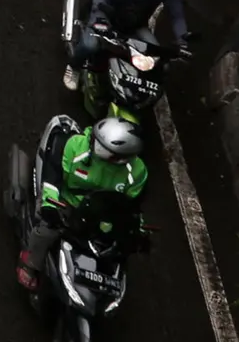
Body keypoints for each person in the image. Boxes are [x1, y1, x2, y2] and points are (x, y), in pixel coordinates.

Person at [20, 116, 149, 285]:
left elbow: (133, 206)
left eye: (103, 148)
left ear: (122, 158)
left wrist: (136, 230)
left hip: (100, 215)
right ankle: (30, 263)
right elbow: (53, 177)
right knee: (47, 231)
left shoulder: (137, 174)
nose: (95, 147)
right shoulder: (75, 147)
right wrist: (50, 204)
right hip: (67, 203)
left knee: (116, 250)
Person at [65, 0, 190, 90]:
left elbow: (177, 15)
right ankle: (74, 67)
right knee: (89, 45)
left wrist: (182, 40)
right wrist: (100, 15)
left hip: (136, 26)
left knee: (156, 59)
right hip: (106, 18)